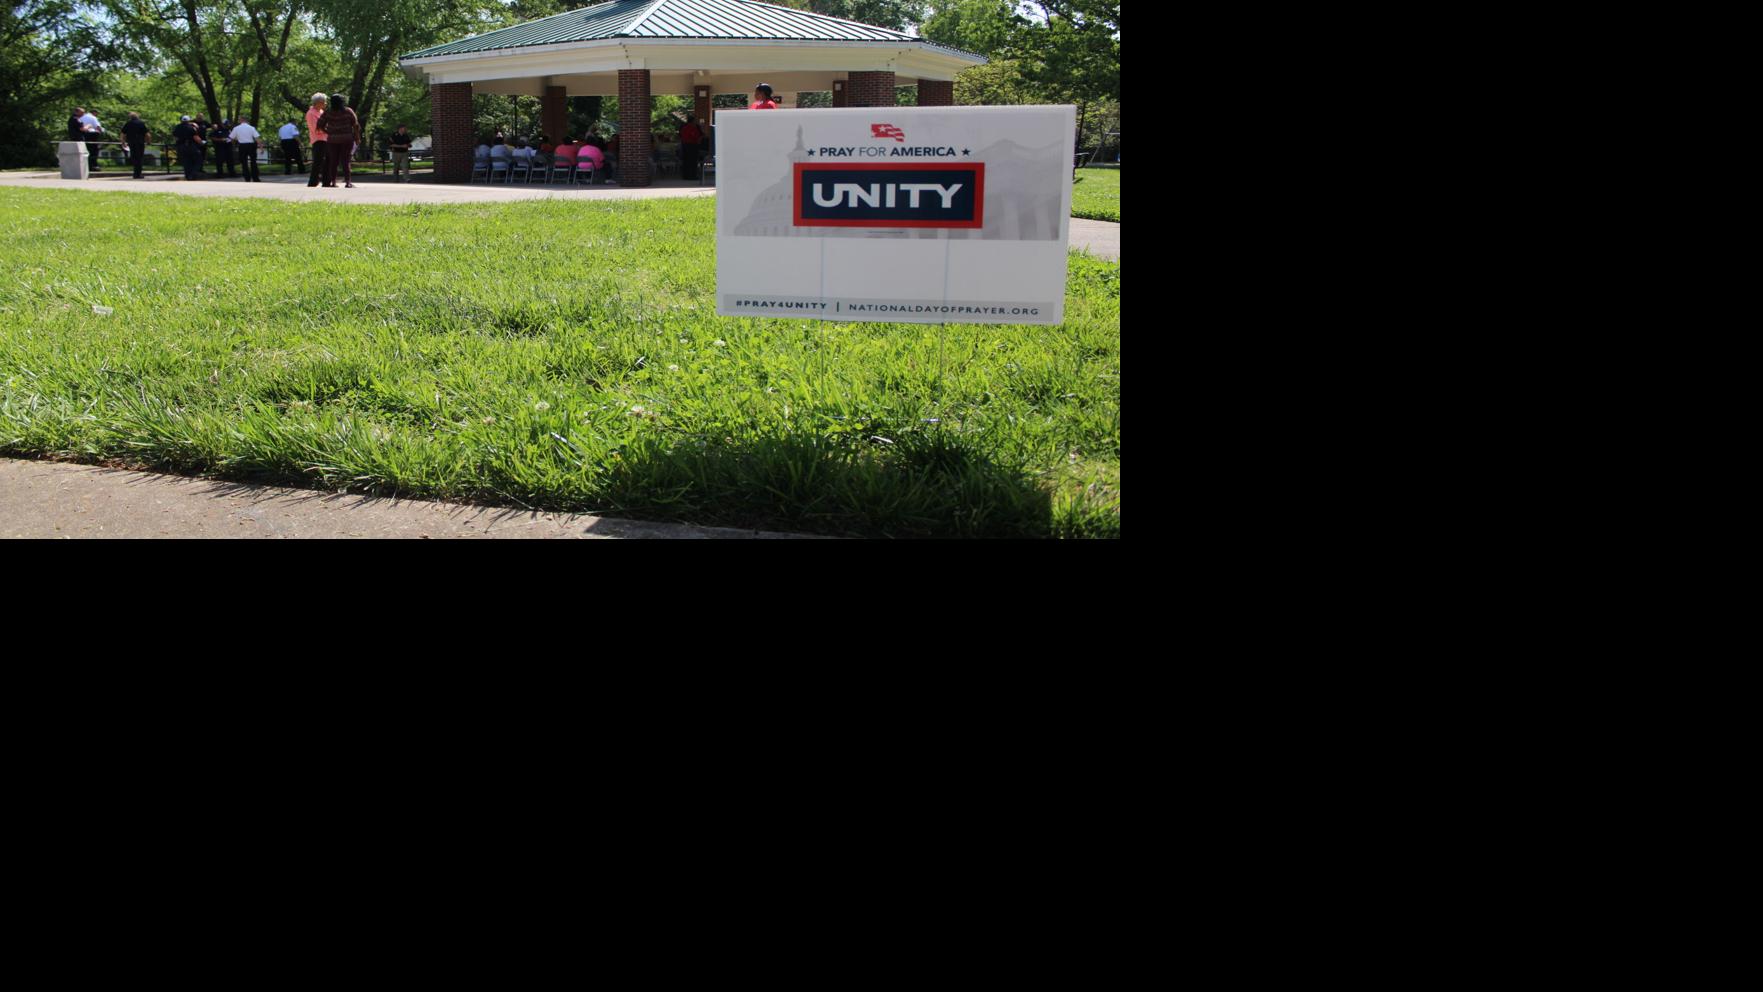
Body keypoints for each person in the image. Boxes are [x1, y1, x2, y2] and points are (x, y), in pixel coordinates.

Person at [318, 93, 359, 188]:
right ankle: (348, 182)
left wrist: (328, 132)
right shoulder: (348, 111)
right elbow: (355, 125)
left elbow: (320, 124)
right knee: (346, 161)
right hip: (346, 139)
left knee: (333, 161)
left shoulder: (328, 112)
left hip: (332, 140)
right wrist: (357, 138)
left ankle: (333, 182)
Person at [305, 93, 329, 188]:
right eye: (324, 102)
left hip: (325, 138)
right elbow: (316, 128)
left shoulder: (321, 112)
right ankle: (313, 182)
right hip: (318, 140)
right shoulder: (311, 113)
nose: (325, 104)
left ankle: (326, 181)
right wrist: (329, 129)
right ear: (318, 103)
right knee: (318, 161)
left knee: (325, 161)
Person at [230, 117, 262, 182]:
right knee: (253, 162)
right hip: (251, 145)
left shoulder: (236, 128)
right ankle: (255, 178)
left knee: (244, 162)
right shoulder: (251, 128)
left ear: (241, 120)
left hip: (242, 146)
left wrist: (236, 141)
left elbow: (231, 138)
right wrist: (261, 147)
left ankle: (247, 178)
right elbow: (257, 138)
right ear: (246, 121)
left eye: (239, 120)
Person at [121, 112, 150, 179]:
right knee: (139, 158)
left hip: (131, 143)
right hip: (140, 143)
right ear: (137, 117)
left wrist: (123, 142)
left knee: (134, 157)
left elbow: (123, 134)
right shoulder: (141, 123)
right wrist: (148, 142)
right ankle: (138, 174)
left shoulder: (128, 124)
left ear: (130, 117)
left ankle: (135, 173)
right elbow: (147, 134)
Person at [172, 115, 202, 180]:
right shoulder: (191, 128)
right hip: (190, 146)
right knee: (198, 160)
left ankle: (187, 175)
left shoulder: (177, 127)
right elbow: (195, 137)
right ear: (188, 120)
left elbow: (175, 137)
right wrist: (201, 142)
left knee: (186, 162)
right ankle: (193, 174)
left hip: (181, 146)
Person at [679, 113, 703, 180]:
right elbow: (697, 136)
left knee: (686, 161)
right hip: (692, 145)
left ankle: (685, 176)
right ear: (693, 121)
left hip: (684, 145)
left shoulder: (683, 127)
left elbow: (680, 135)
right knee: (693, 161)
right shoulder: (694, 127)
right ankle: (692, 176)